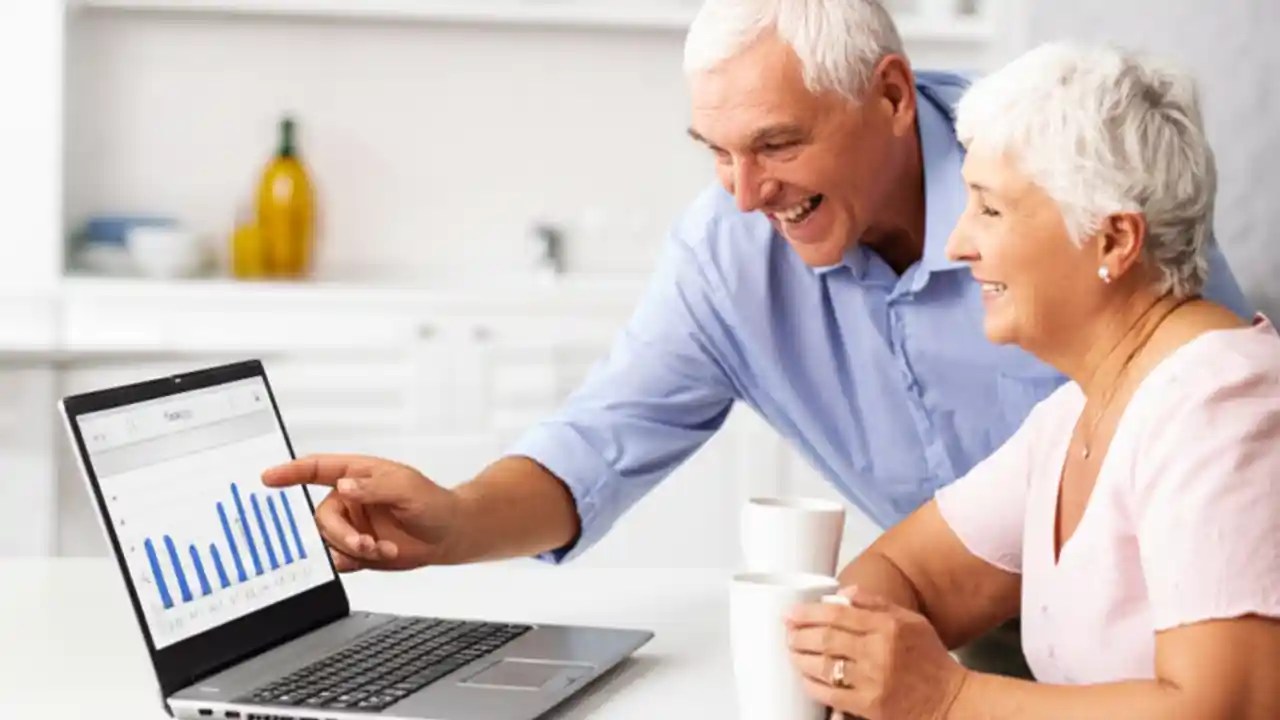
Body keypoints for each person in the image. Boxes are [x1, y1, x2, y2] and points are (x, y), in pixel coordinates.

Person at [260, 0, 1250, 676]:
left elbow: (1203, 425)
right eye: (717, 153)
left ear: (892, 96)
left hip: (1158, 646)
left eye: (777, 143)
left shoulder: (1067, 199)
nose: (744, 194)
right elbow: (600, 442)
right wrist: (452, 520)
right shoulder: (729, 250)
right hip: (952, 637)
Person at [784, 42, 1280, 719]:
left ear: (1113, 241)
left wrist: (945, 697)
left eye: (990, 209)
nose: (958, 244)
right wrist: (854, 655)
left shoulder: (1220, 403)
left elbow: (1226, 709)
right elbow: (907, 574)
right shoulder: (1078, 411)